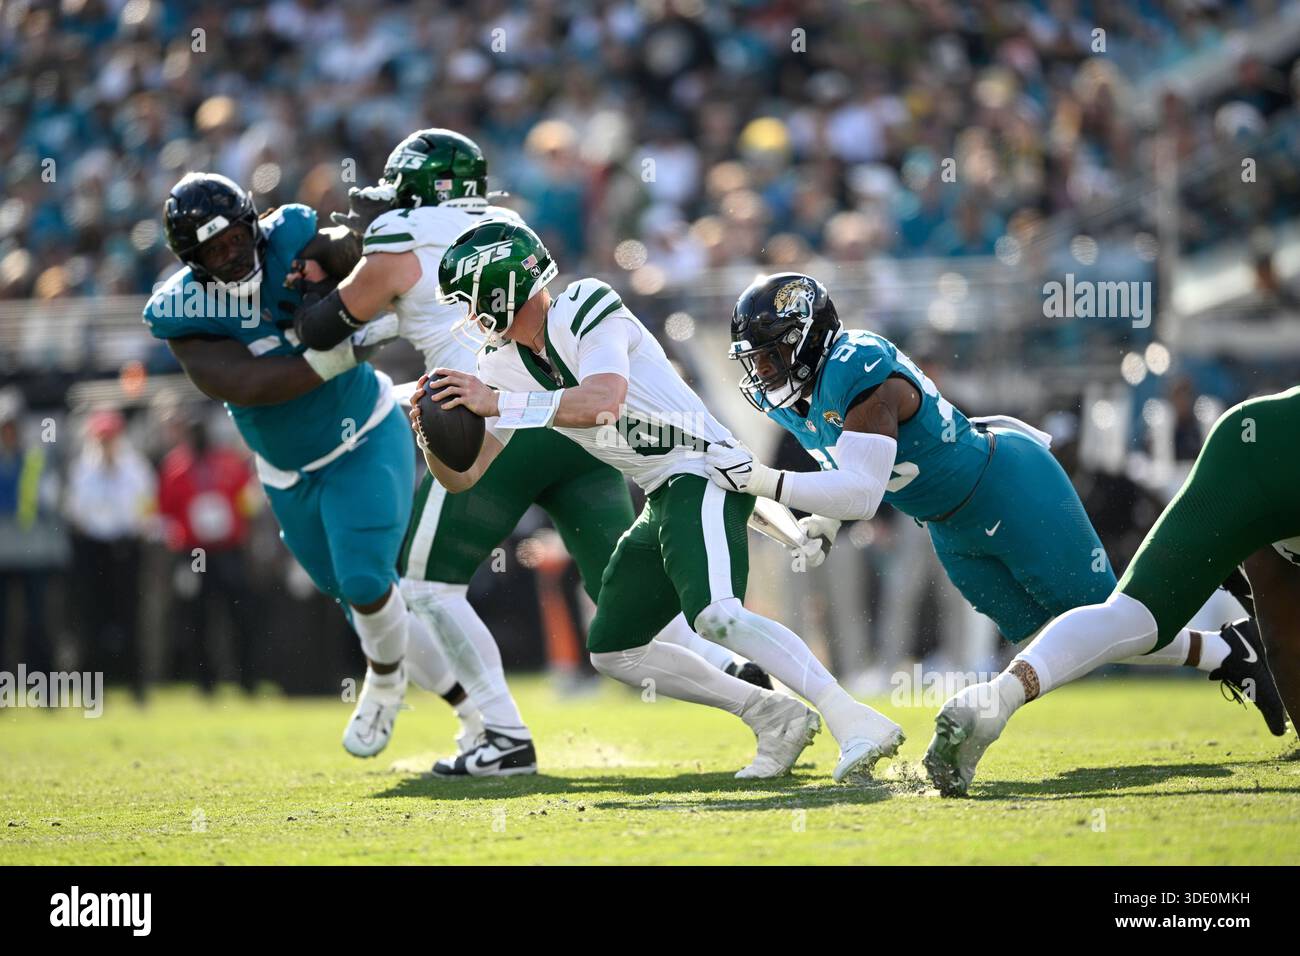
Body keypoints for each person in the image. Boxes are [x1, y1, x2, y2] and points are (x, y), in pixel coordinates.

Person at [297, 128, 767, 777]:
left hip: (497, 413)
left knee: (429, 585)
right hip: (571, 412)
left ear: (418, 190)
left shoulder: (398, 235)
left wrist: (312, 292)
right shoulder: (505, 222)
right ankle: (744, 680)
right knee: (621, 600)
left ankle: (500, 733)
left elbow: (323, 332)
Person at [706, 272, 1287, 777]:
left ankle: (1217, 579)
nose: (761, 370)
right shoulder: (800, 395)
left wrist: (758, 479)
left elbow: (861, 492)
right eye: (753, 358)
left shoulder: (857, 368)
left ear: (807, 339)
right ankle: (1225, 652)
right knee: (1057, 639)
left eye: (769, 354)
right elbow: (850, 468)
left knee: (1104, 616)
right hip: (949, 527)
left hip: (1004, 487)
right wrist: (825, 525)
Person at [407, 220, 902, 782]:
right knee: (615, 649)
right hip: (662, 492)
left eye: (470, 301)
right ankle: (772, 715)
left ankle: (850, 716)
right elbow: (467, 476)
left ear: (499, 290)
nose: (468, 317)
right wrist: (435, 441)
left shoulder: (584, 304)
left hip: (705, 467)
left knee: (717, 615)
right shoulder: (500, 366)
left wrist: (498, 403)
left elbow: (603, 402)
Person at [144, 171, 469, 755]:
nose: (232, 257)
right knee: (362, 600)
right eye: (214, 252)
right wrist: (336, 356)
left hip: (362, 433)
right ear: (194, 263)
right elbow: (244, 384)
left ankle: (395, 687)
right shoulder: (183, 309)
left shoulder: (293, 235)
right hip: (286, 471)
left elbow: (357, 263)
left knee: (367, 582)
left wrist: (339, 257)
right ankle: (455, 705)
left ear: (253, 226)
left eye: (237, 240)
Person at [926, 387, 1300, 796]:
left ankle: (997, 699)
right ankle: (1230, 650)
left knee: (1129, 615)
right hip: (1273, 452)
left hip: (1247, 440)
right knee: (1125, 615)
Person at [156, 413, 263, 693]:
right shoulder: (175, 468)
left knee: (239, 614)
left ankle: (246, 680)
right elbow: (165, 513)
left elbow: (247, 501)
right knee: (198, 617)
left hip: (228, 550)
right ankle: (205, 682)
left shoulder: (228, 463)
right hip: (195, 553)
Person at [64, 409, 153, 699]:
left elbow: (146, 506)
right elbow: (77, 512)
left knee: (130, 616)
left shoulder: (135, 468)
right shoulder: (83, 470)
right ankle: (92, 688)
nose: (106, 444)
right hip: (93, 549)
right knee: (92, 617)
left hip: (126, 548)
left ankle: (135, 686)